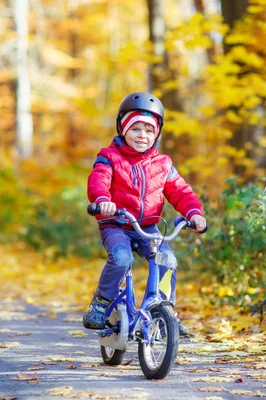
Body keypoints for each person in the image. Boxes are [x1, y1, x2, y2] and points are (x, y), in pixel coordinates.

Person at [83, 92, 207, 337]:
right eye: (136, 129)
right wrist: (103, 200)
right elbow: (98, 181)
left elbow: (180, 190)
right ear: (123, 129)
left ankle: (164, 310)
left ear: (157, 134)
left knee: (167, 261)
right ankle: (101, 302)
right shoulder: (110, 157)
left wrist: (195, 213)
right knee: (121, 258)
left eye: (149, 130)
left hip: (148, 227)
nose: (142, 135)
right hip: (117, 223)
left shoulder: (163, 163)